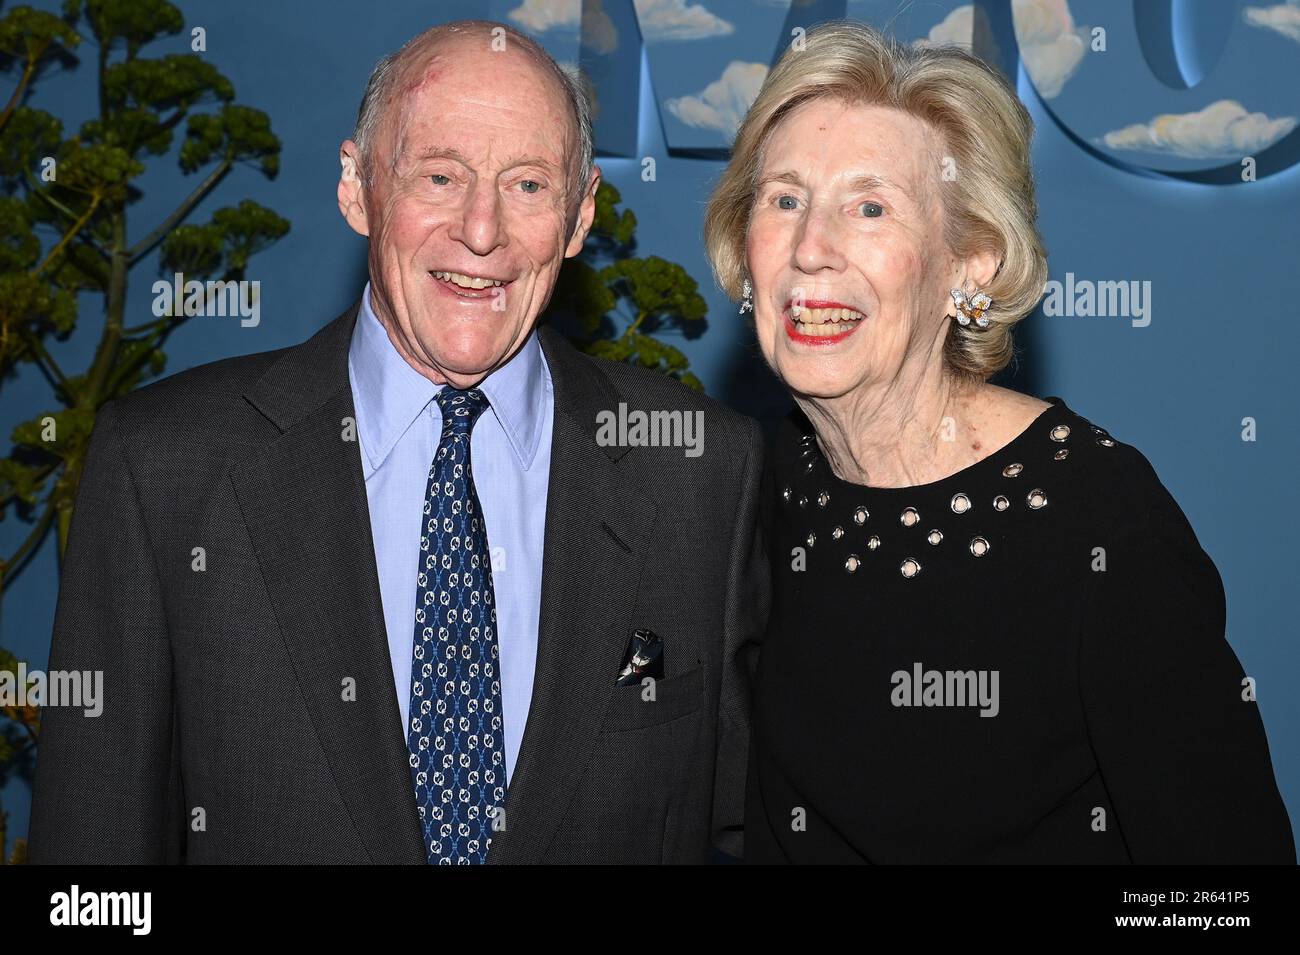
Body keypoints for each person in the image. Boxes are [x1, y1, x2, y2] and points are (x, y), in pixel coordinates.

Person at [29, 19, 767, 865]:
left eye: (527, 184)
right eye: (440, 175)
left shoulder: (700, 473)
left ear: (580, 214)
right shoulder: (165, 469)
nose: (480, 230)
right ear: (356, 187)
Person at [704, 20, 1294, 863]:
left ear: (970, 264)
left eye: (870, 206)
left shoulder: (1098, 523)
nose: (811, 250)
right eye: (786, 199)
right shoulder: (755, 488)